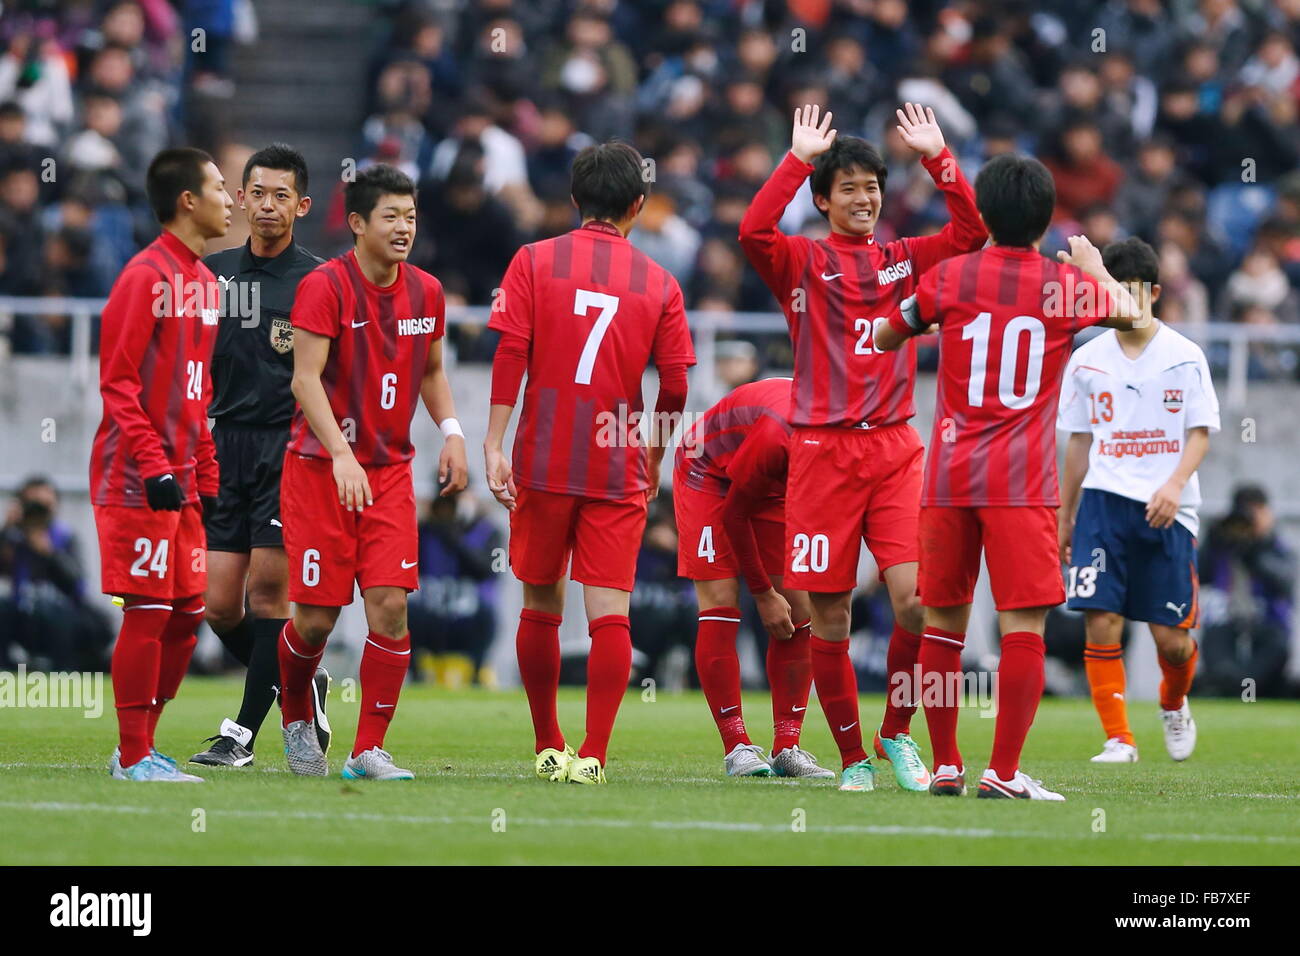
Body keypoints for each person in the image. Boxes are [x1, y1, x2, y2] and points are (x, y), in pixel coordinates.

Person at [738, 103, 987, 793]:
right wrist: (794, 160)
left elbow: (972, 233)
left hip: (895, 450)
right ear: (823, 200)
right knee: (831, 613)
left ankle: (896, 731)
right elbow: (752, 228)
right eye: (847, 187)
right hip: (820, 454)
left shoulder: (904, 261)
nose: (864, 197)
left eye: (872, 186)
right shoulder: (800, 262)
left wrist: (940, 158)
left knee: (917, 602)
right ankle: (852, 760)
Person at [877, 153, 1139, 800]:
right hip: (1021, 481)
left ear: (985, 214)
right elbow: (1133, 317)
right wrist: (1096, 267)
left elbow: (887, 334)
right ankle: (1003, 772)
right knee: (1024, 626)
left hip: (948, 474)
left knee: (941, 623)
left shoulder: (952, 276)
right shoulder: (1061, 285)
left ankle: (945, 764)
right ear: (1046, 219)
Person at [484, 141, 695, 785]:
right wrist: (653, 451)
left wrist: (494, 444)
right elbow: (678, 386)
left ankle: (548, 742)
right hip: (615, 465)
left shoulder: (532, 260)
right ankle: (594, 755)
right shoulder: (659, 282)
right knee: (611, 614)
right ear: (638, 205)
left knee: (540, 607)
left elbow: (510, 356)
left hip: (542, 460)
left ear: (574, 201)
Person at [276, 164, 469, 781]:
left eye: (411, 216)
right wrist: (339, 453)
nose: (404, 227)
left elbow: (432, 372)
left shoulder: (428, 292)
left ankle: (367, 749)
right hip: (319, 470)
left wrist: (453, 434)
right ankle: (296, 717)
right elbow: (305, 379)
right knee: (315, 618)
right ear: (357, 223)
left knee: (390, 606)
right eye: (391, 216)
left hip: (388, 474)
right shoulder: (324, 287)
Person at [91, 146, 232, 782]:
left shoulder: (204, 283)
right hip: (137, 477)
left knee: (188, 614)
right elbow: (117, 383)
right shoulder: (144, 277)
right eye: (221, 188)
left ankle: (144, 745)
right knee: (149, 609)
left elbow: (194, 392)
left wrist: (203, 465)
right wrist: (155, 467)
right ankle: (131, 754)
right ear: (187, 201)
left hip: (182, 476)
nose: (230, 200)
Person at [189, 143, 330, 769]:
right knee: (218, 604)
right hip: (221, 446)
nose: (267, 206)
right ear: (240, 198)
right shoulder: (210, 274)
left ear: (301, 205)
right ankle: (302, 684)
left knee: (271, 596)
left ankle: (240, 735)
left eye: (281, 196)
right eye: (257, 193)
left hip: (287, 447)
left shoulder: (319, 279)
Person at [1058, 237, 1220, 764]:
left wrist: (1173, 484)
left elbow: (1201, 432)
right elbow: (1079, 441)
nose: (1116, 304)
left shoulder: (1183, 355)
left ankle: (1174, 703)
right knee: (1100, 618)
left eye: (1127, 293)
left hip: (1168, 508)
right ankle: (1119, 738)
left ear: (1152, 293)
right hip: (1104, 503)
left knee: (1171, 640)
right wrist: (1066, 512)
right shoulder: (1086, 360)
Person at [674, 376, 836, 780]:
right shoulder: (779, 432)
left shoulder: (851, 434)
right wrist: (763, 593)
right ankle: (737, 747)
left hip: (771, 478)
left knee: (799, 607)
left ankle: (787, 747)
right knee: (721, 597)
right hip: (709, 470)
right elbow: (735, 513)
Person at [0, 477, 112, 672]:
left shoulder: (64, 535)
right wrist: (6, 530)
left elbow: (75, 581)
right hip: (22, 609)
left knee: (54, 611)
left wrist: (49, 553)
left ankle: (63, 670)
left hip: (63, 611)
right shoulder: (14, 536)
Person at [1198, 485, 1296, 698]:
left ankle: (1241, 688)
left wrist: (1257, 547)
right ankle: (1228, 685)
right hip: (1224, 622)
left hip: (1268, 626)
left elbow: (1285, 584)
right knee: (1224, 672)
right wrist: (1213, 540)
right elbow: (1198, 576)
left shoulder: (1275, 545)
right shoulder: (1220, 541)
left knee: (1255, 675)